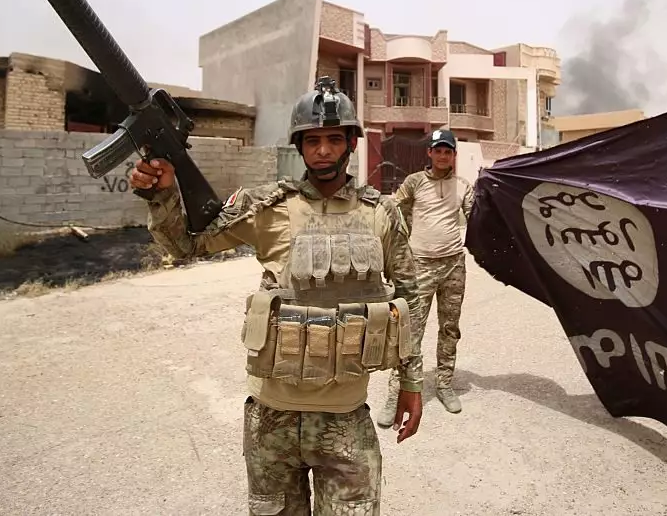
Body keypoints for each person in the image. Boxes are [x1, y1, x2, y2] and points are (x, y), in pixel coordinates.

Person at [129, 76, 425, 515]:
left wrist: (411, 384)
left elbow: (409, 298)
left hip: (345, 417)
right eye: (312, 141)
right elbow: (185, 245)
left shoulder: (380, 215)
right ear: (299, 146)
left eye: (332, 139)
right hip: (272, 416)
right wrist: (162, 194)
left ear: (351, 144)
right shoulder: (266, 206)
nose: (322, 150)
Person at [376, 128, 474, 426]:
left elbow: (479, 217)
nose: (443, 155)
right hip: (419, 267)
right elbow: (392, 210)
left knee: (449, 328)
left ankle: (444, 383)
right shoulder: (415, 182)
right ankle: (398, 390)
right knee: (409, 332)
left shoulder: (463, 186)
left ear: (453, 155)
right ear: (429, 153)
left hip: (454, 266)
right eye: (438, 150)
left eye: (448, 151)